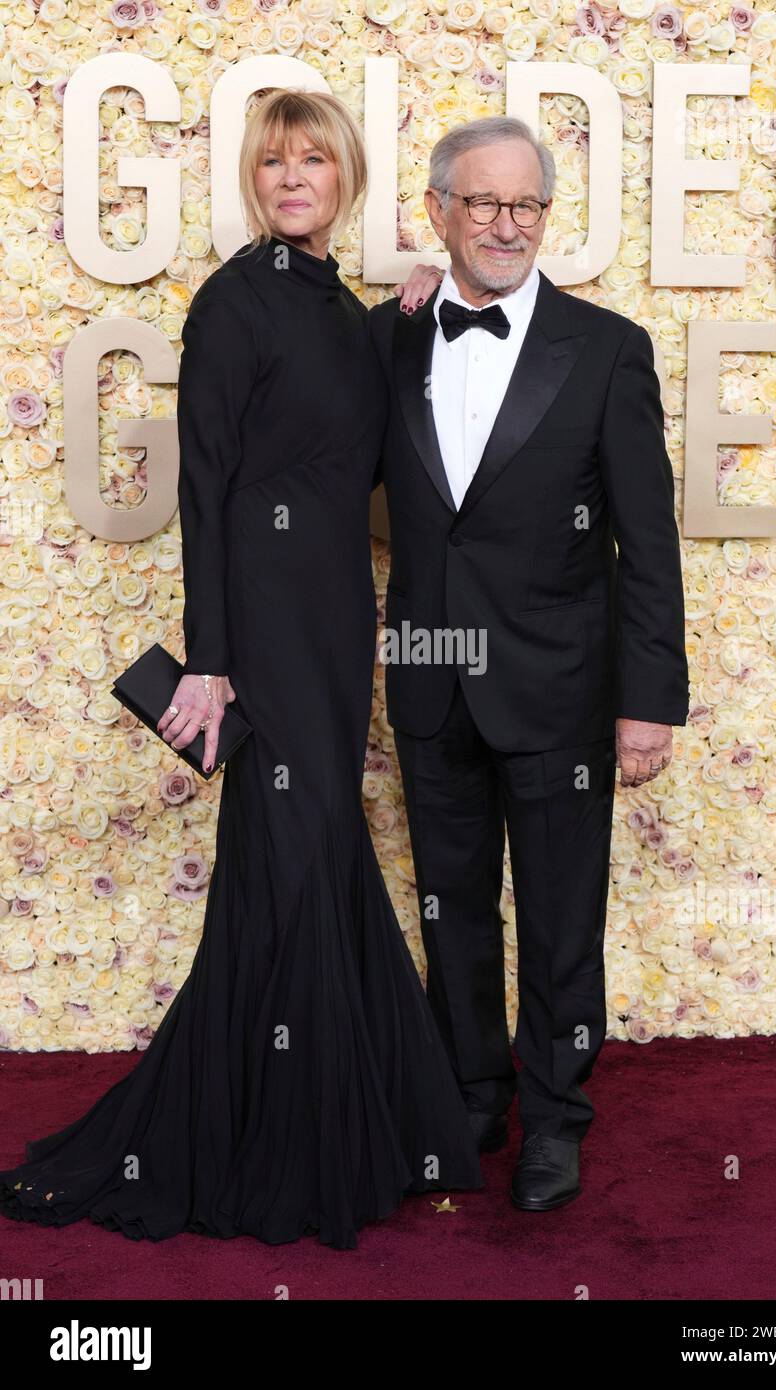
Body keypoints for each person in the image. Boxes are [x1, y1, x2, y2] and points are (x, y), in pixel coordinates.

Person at [0, 89, 482, 1250]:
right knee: (295, 860)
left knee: (313, 854)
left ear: (346, 178)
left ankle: (337, 1122)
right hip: (262, 629)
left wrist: (411, 299)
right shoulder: (229, 305)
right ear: (255, 183)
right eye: (274, 164)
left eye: (314, 161)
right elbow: (205, 490)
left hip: (331, 622)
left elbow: (351, 419)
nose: (292, 179)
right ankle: (270, 1144)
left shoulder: (335, 309)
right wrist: (207, 665)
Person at [368, 116, 690, 1213]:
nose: (505, 225)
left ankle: (555, 1113)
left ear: (543, 216)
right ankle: (471, 1091)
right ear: (438, 213)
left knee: (560, 913)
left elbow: (645, 541)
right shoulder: (389, 336)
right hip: (427, 667)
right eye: (481, 203)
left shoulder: (605, 348)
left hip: (559, 682)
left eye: (525, 206)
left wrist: (646, 704)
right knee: (452, 903)